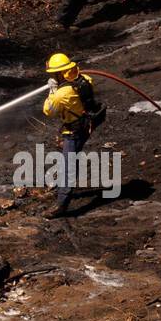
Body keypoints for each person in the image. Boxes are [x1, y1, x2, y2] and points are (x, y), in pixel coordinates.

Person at [42, 52, 105, 218]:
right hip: (87, 123)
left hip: (74, 131)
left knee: (67, 166)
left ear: (59, 74)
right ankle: (63, 191)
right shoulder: (84, 79)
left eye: (53, 74)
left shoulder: (62, 94)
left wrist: (52, 90)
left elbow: (48, 111)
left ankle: (62, 204)